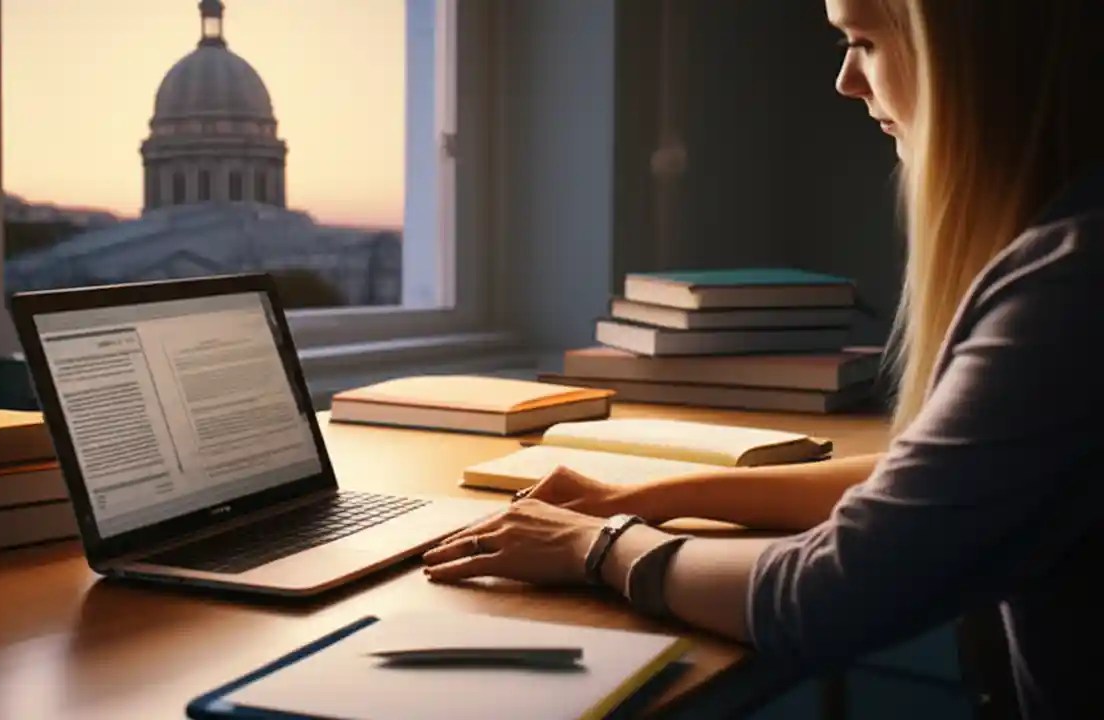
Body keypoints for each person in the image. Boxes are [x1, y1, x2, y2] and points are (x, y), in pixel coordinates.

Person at [421, 0, 1104, 717]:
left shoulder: (1072, 287)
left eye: (864, 41)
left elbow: (830, 594)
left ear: (978, 56)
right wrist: (649, 497)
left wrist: (598, 546)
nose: (845, 80)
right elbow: (927, 483)